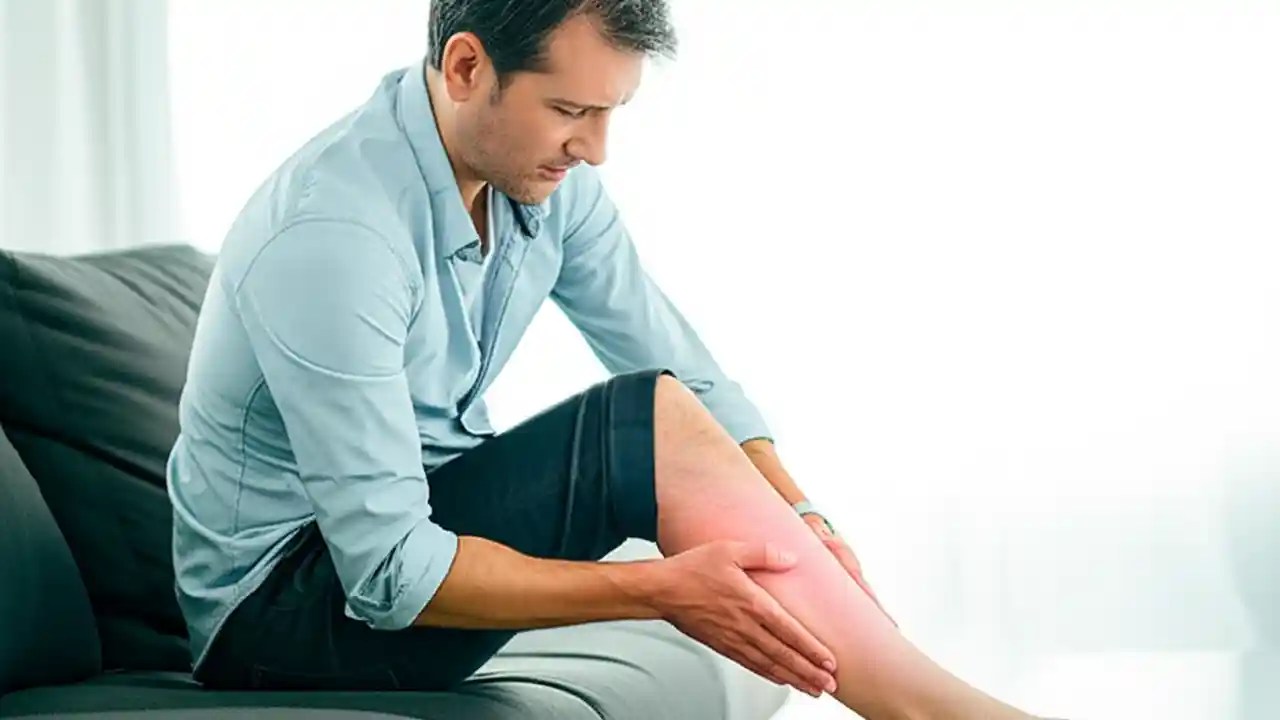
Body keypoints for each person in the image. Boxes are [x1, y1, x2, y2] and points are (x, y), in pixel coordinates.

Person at [166, 1, 1053, 717]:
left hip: (398, 552)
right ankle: (934, 709)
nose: (593, 148)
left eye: (608, 112)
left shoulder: (546, 187)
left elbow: (690, 376)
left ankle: (919, 696)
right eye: (570, 111)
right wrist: (656, 589)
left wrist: (803, 512)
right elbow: (392, 574)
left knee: (664, 403)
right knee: (642, 422)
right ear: (468, 67)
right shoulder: (336, 236)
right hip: (282, 623)